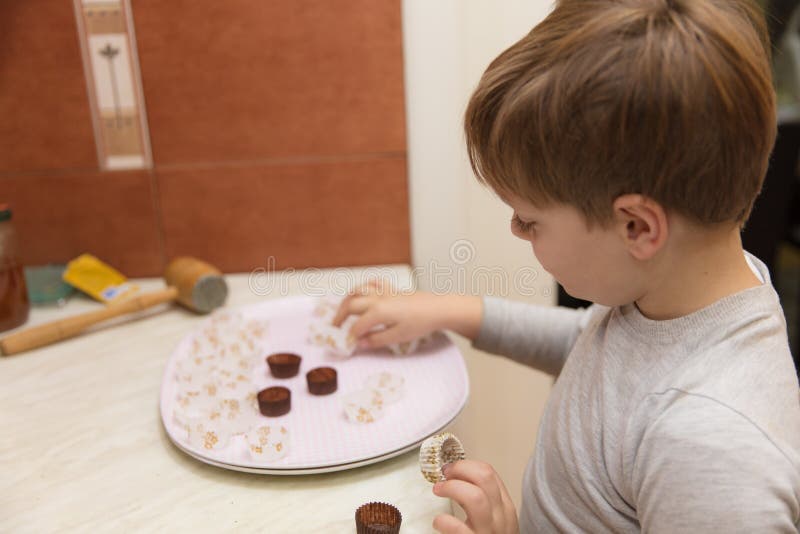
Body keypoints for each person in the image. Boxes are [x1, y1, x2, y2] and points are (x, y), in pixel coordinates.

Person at [334, 0, 800, 532]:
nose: (515, 230)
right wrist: (453, 310)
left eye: (530, 221)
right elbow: (599, 349)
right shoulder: (682, 292)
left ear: (638, 228)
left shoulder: (713, 452)